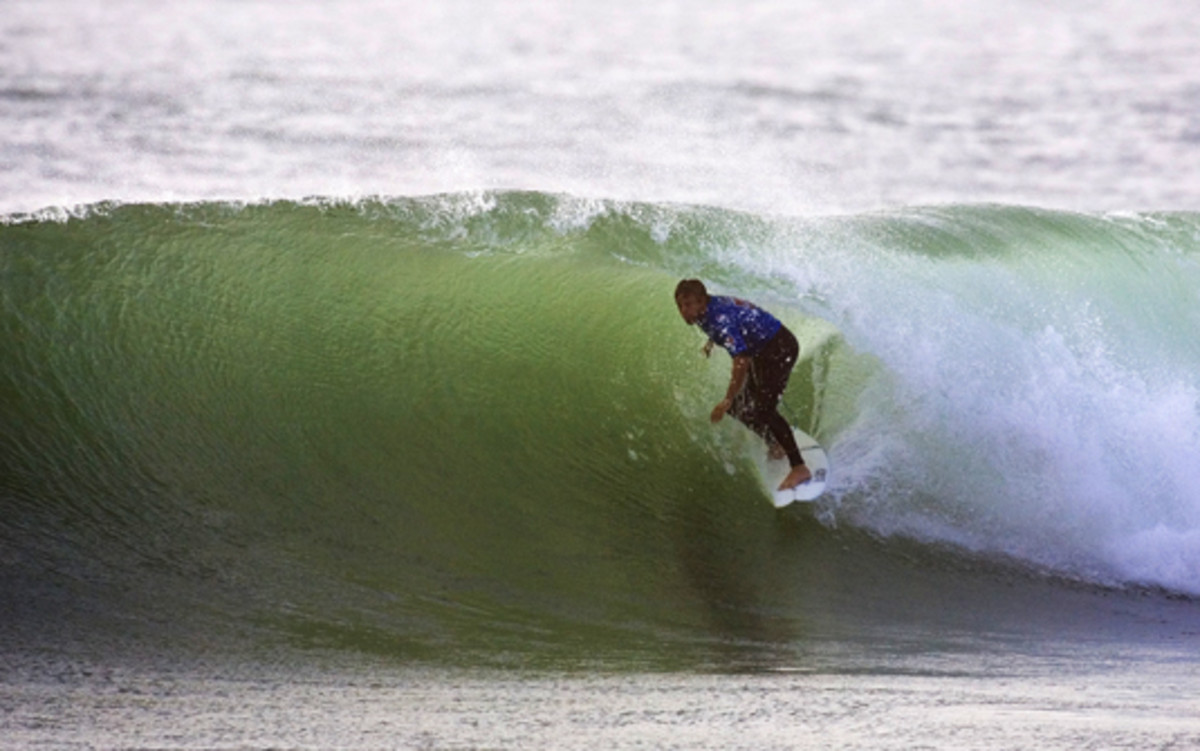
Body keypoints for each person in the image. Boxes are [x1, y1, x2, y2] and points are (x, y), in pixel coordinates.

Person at [674, 279, 812, 491]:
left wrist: (727, 397)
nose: (684, 311)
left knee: (764, 409)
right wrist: (711, 342)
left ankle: (799, 467)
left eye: (689, 305)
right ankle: (775, 444)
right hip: (760, 348)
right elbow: (731, 327)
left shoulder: (719, 319)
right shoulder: (704, 312)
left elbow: (741, 361)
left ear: (702, 301)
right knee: (739, 407)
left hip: (779, 347)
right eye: (680, 306)